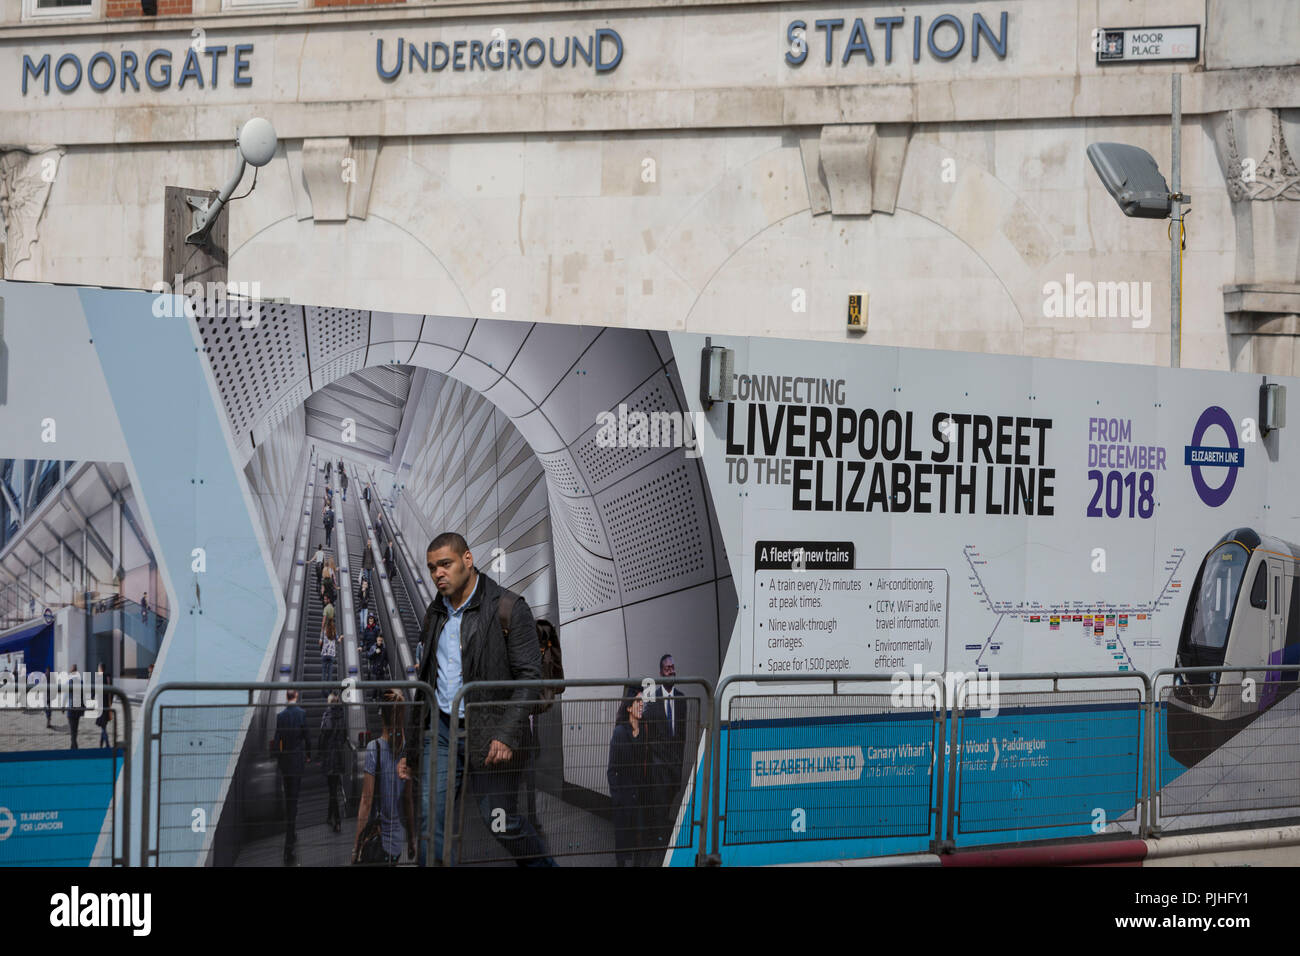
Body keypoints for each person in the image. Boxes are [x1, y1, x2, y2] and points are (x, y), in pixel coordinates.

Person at [397, 531, 555, 867]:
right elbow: (425, 681)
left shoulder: (509, 608)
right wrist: (409, 747)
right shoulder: (434, 614)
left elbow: (530, 677)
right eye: (431, 568)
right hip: (441, 730)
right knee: (431, 820)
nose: (438, 573)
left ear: (467, 560)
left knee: (501, 822)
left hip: (490, 731)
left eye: (445, 564)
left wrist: (507, 732)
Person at [353, 689, 415, 865]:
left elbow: (366, 802)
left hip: (377, 842)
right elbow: (408, 800)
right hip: (396, 843)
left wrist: (356, 847)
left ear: (382, 715)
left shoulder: (375, 749)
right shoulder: (407, 751)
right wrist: (411, 840)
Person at [644, 653, 688, 850]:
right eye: (667, 668)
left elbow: (683, 736)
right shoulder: (651, 698)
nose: (672, 670)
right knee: (659, 805)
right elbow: (648, 734)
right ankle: (658, 843)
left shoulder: (681, 699)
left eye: (673, 667)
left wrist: (678, 763)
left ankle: (659, 838)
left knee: (668, 801)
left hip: (674, 765)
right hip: (658, 764)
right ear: (661, 672)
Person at [521, 619, 560, 831]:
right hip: (517, 738)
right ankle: (522, 818)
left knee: (530, 780)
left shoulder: (535, 671)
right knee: (519, 781)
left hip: (528, 739)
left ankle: (532, 818)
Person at [608, 686, 652, 867]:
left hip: (640, 797)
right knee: (623, 842)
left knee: (640, 840)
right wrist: (617, 797)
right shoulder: (619, 733)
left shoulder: (645, 732)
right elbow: (612, 770)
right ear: (628, 707)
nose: (641, 705)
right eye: (637, 701)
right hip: (624, 798)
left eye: (643, 701)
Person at [273, 690, 312, 865]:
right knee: (294, 801)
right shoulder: (301, 714)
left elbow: (276, 739)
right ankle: (289, 844)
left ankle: (291, 832)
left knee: (289, 799)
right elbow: (307, 737)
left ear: (286, 697)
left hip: (285, 763)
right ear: (295, 696)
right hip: (296, 762)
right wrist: (309, 754)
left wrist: (279, 758)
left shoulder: (280, 716)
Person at [319, 692, 349, 833]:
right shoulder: (342, 717)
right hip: (338, 756)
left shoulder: (327, 716)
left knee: (332, 790)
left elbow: (322, 737)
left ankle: (337, 820)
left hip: (329, 757)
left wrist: (320, 754)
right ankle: (329, 816)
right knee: (333, 787)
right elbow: (344, 737)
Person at [94, 664, 114, 748]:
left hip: (101, 705)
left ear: (100, 669)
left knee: (103, 726)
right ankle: (101, 745)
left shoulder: (99, 678)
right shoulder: (108, 678)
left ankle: (107, 745)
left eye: (98, 668)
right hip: (107, 705)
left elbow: (95, 692)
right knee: (104, 724)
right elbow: (112, 692)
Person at [66, 665, 84, 750]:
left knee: (73, 730)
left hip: (71, 709)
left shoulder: (69, 682)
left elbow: (66, 695)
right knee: (75, 729)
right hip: (78, 709)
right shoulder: (81, 681)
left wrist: (62, 706)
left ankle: (75, 747)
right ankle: (73, 746)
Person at [320, 615, 338, 688]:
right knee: (330, 673)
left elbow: (320, 641)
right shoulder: (334, 631)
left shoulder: (324, 630)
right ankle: (329, 690)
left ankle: (323, 689)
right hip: (331, 654)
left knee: (324, 672)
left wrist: (321, 647)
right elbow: (338, 640)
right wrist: (341, 638)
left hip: (324, 653)